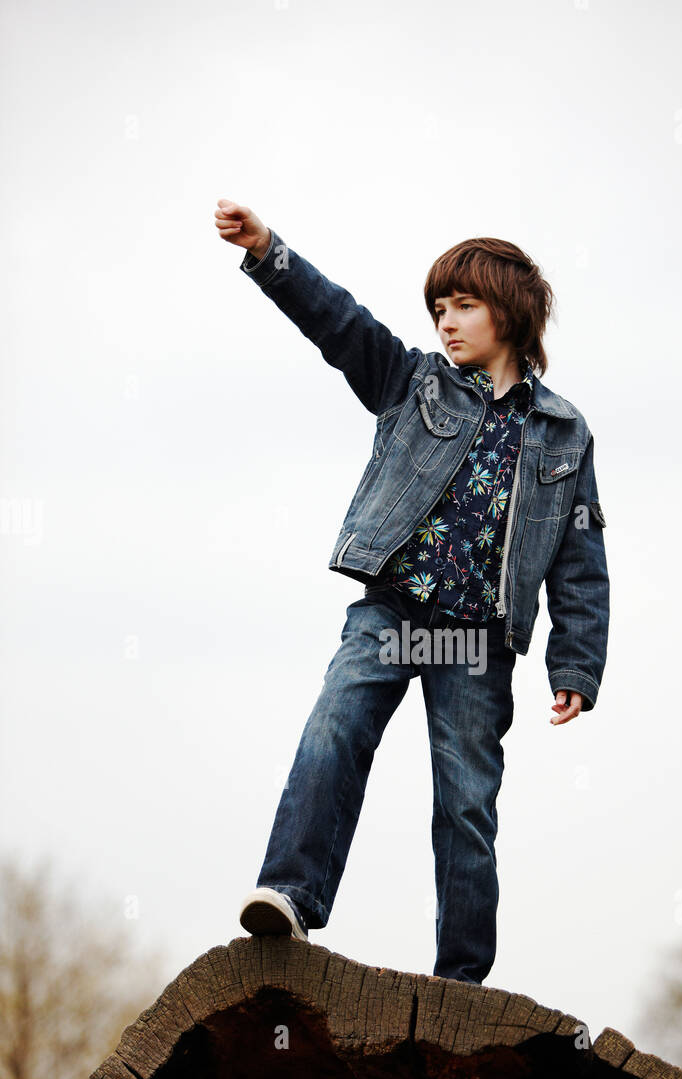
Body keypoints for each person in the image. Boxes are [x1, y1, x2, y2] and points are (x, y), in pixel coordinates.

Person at [214, 198, 610, 985]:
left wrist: (576, 665)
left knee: (466, 803)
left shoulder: (565, 433)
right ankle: (290, 893)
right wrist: (268, 252)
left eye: (465, 305)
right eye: (439, 308)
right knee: (333, 731)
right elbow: (340, 324)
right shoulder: (411, 383)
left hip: (476, 639)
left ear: (513, 314)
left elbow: (580, 557)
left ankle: (461, 980)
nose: (448, 322)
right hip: (393, 612)